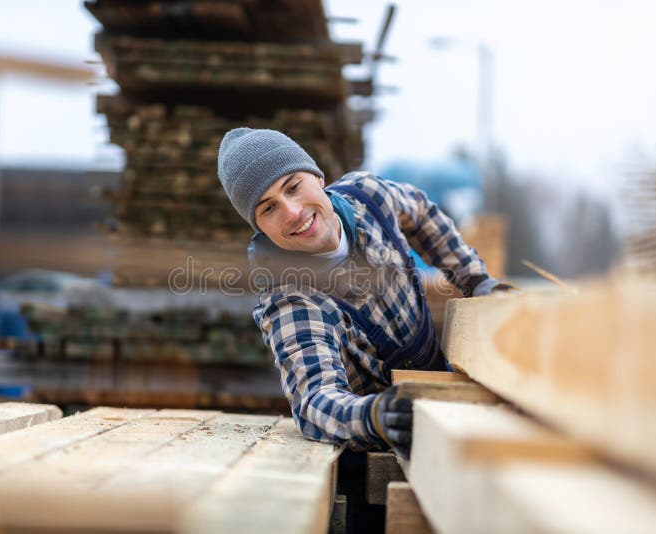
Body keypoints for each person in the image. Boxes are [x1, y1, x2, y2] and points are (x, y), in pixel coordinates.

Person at [217, 128, 509, 458]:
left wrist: (476, 280)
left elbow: (422, 214)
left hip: (449, 391)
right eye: (268, 209)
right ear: (261, 229)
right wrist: (374, 417)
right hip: (391, 449)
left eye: (293, 187)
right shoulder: (291, 300)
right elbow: (316, 400)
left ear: (317, 176)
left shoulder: (370, 197)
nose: (293, 212)